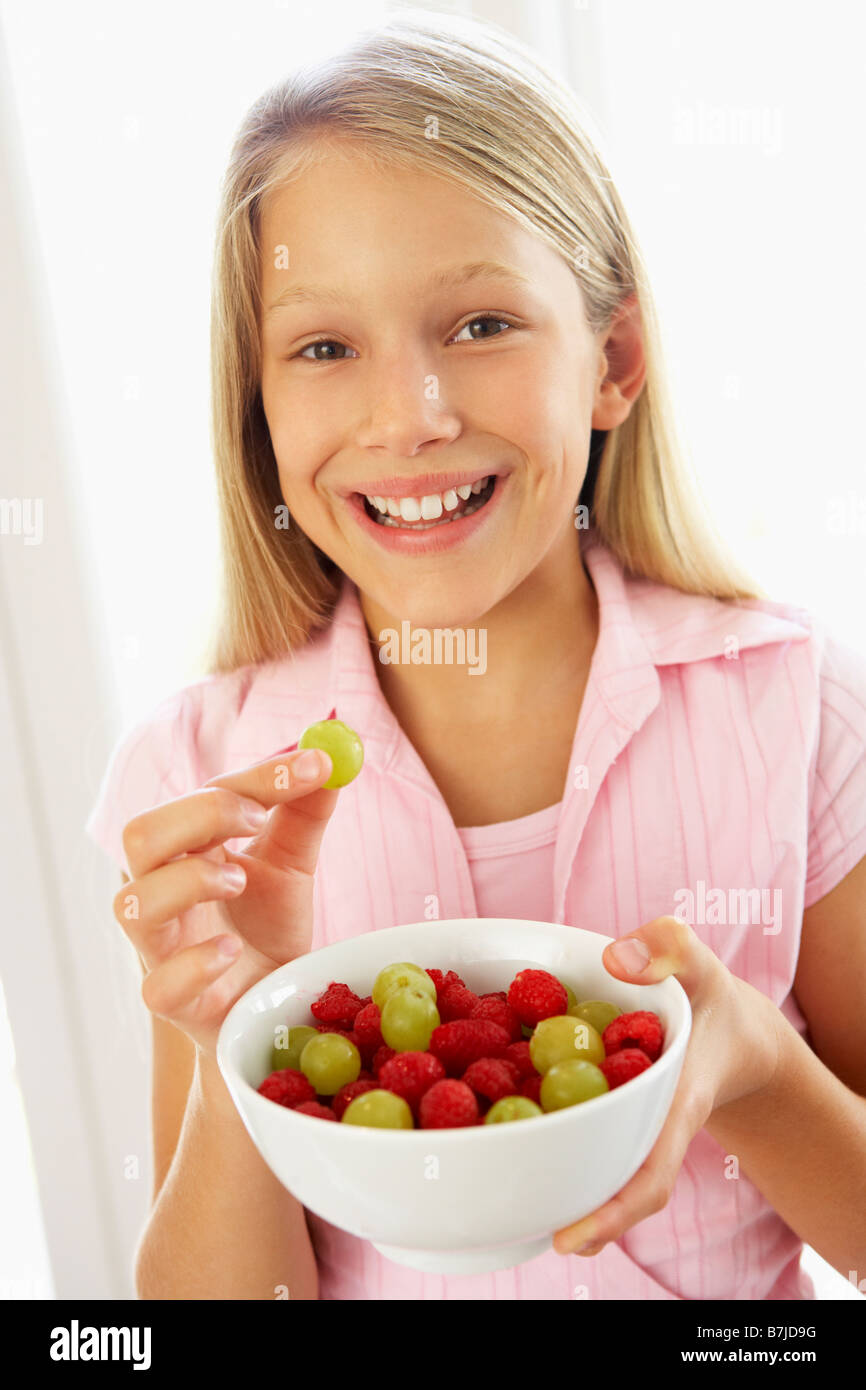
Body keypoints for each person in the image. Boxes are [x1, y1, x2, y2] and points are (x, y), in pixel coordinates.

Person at [86, 11, 866, 1300]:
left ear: (611, 362)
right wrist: (245, 1039)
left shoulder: (797, 715)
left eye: (483, 324)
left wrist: (759, 1075)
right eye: (326, 349)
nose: (415, 418)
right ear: (261, 407)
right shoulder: (200, 774)